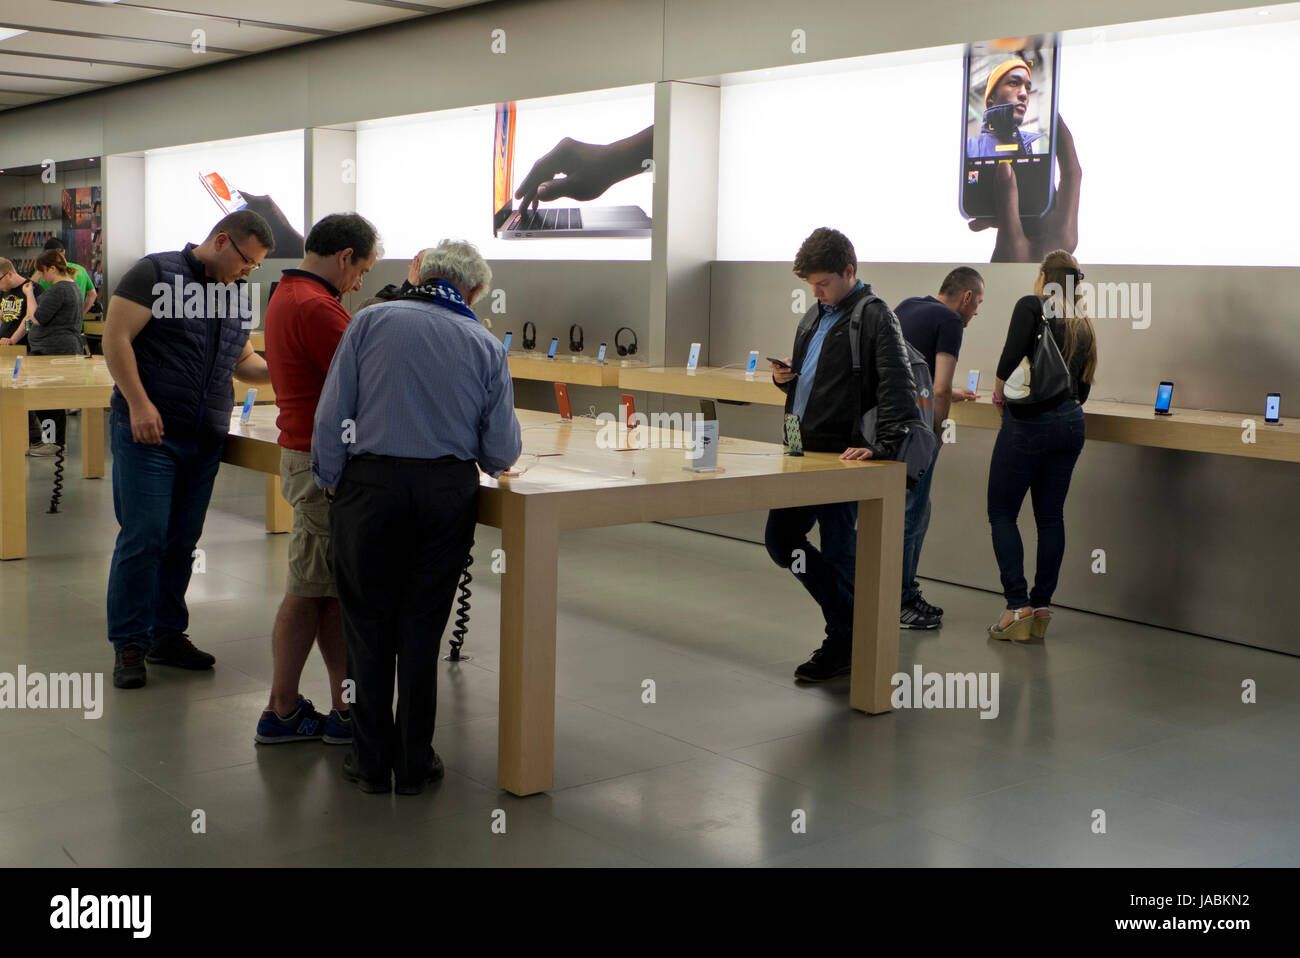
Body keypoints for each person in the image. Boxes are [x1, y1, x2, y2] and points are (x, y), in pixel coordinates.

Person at [313, 239, 521, 795]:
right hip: (444, 495)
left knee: (366, 630)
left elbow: (333, 413)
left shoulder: (370, 321)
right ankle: (414, 762)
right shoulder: (483, 342)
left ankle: (368, 760)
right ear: (473, 291)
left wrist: (333, 482)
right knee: (422, 630)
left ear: (420, 273)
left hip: (369, 490)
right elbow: (501, 452)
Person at [102, 210, 275, 689]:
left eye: (255, 267)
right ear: (222, 241)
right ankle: (130, 644)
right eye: (247, 261)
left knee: (181, 539)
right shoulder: (154, 273)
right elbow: (115, 340)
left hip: (204, 438)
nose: (248, 272)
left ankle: (166, 634)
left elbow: (245, 362)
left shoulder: (237, 295)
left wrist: (288, 366)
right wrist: (138, 404)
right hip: (150, 433)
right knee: (144, 536)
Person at [765, 227, 918, 682]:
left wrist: (881, 447)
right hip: (804, 452)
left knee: (839, 550)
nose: (816, 292)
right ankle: (854, 625)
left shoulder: (876, 316)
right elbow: (816, 381)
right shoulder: (814, 316)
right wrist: (785, 382)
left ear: (849, 271)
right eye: (811, 285)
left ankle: (843, 638)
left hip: (845, 458)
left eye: (823, 283)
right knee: (780, 541)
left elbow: (899, 388)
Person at [255, 213, 380, 745]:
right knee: (309, 590)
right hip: (320, 465)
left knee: (327, 592)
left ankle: (342, 709)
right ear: (346, 256)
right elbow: (368, 382)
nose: (360, 284)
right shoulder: (318, 308)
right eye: (363, 270)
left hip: (307, 456)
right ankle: (281, 711)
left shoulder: (289, 294)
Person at [987, 249, 1097, 641]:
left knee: (1002, 512)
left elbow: (1009, 357)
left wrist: (999, 394)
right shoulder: (1082, 321)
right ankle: (1042, 605)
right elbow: (1082, 389)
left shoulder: (1031, 305)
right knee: (1050, 518)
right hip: (1071, 423)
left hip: (1029, 425)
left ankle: (1017, 607)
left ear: (1043, 275)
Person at [893, 267, 984, 629]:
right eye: (977, 303)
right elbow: (941, 389)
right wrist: (938, 434)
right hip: (917, 435)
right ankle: (900, 600)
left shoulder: (908, 306)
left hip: (887, 428)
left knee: (912, 511)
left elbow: (916, 375)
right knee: (913, 515)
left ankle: (898, 591)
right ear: (966, 297)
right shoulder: (951, 322)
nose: (976, 312)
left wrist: (948, 393)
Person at [24, 249, 86, 456]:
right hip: (55, 349)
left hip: (52, 351)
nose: (41, 277)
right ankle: (53, 440)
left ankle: (53, 442)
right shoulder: (72, 287)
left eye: (42, 272)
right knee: (47, 400)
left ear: (52, 268)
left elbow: (37, 317)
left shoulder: (59, 289)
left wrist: (29, 294)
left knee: (46, 400)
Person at [966, 58, 1045, 159]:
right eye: (1014, 83)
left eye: (1028, 88)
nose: (1024, 94)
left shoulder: (1036, 144)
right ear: (991, 97)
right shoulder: (969, 148)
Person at [38, 237, 97, 319]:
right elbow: (92, 294)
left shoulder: (44, 272)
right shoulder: (80, 270)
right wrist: (80, 315)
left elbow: (30, 291)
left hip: (51, 325)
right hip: (75, 325)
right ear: (64, 251)